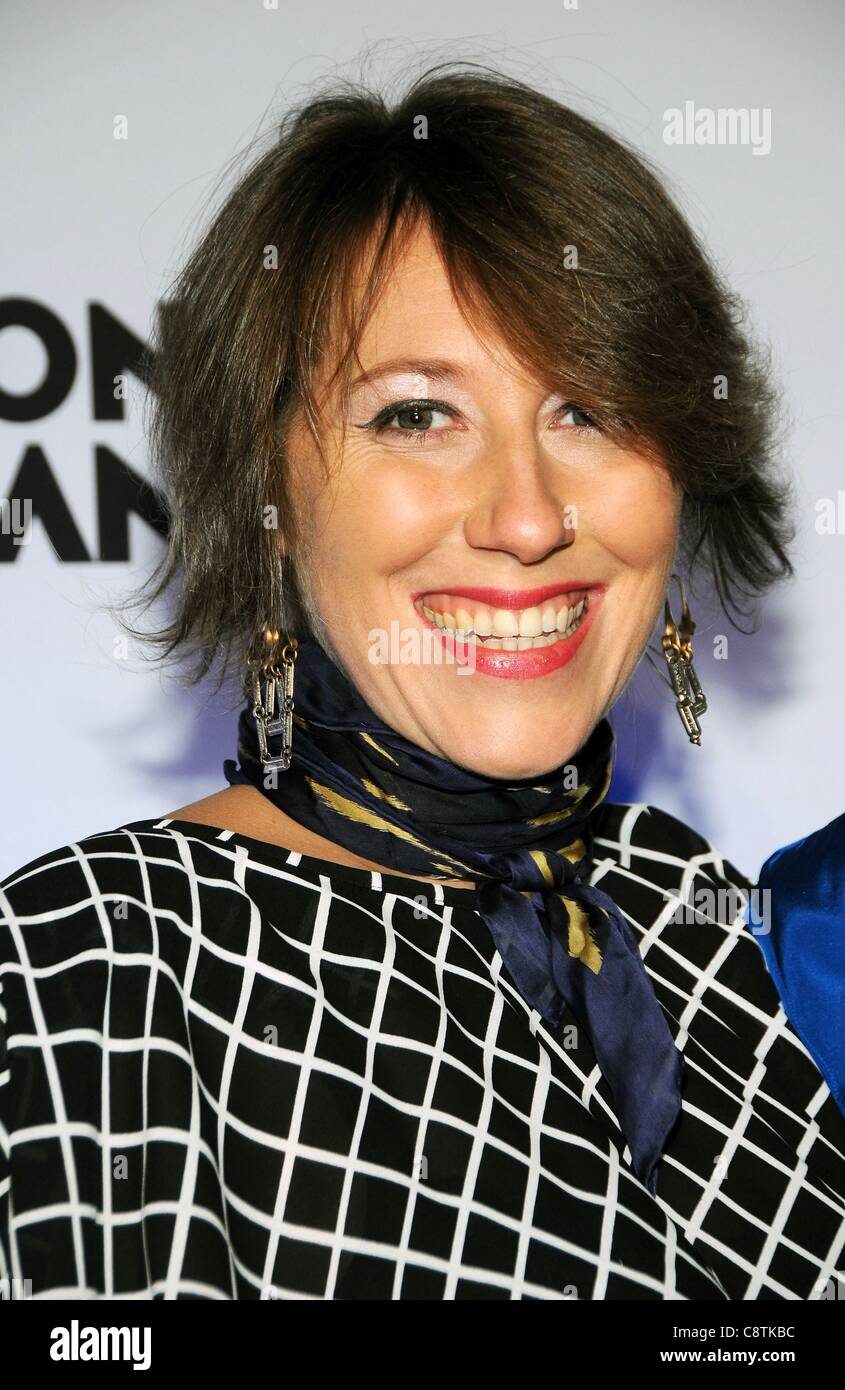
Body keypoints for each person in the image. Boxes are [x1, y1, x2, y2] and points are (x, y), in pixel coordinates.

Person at [2, 63, 843, 1302]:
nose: (523, 516)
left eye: (589, 410)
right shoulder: (87, 968)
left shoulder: (721, 928)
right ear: (266, 495)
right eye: (414, 415)